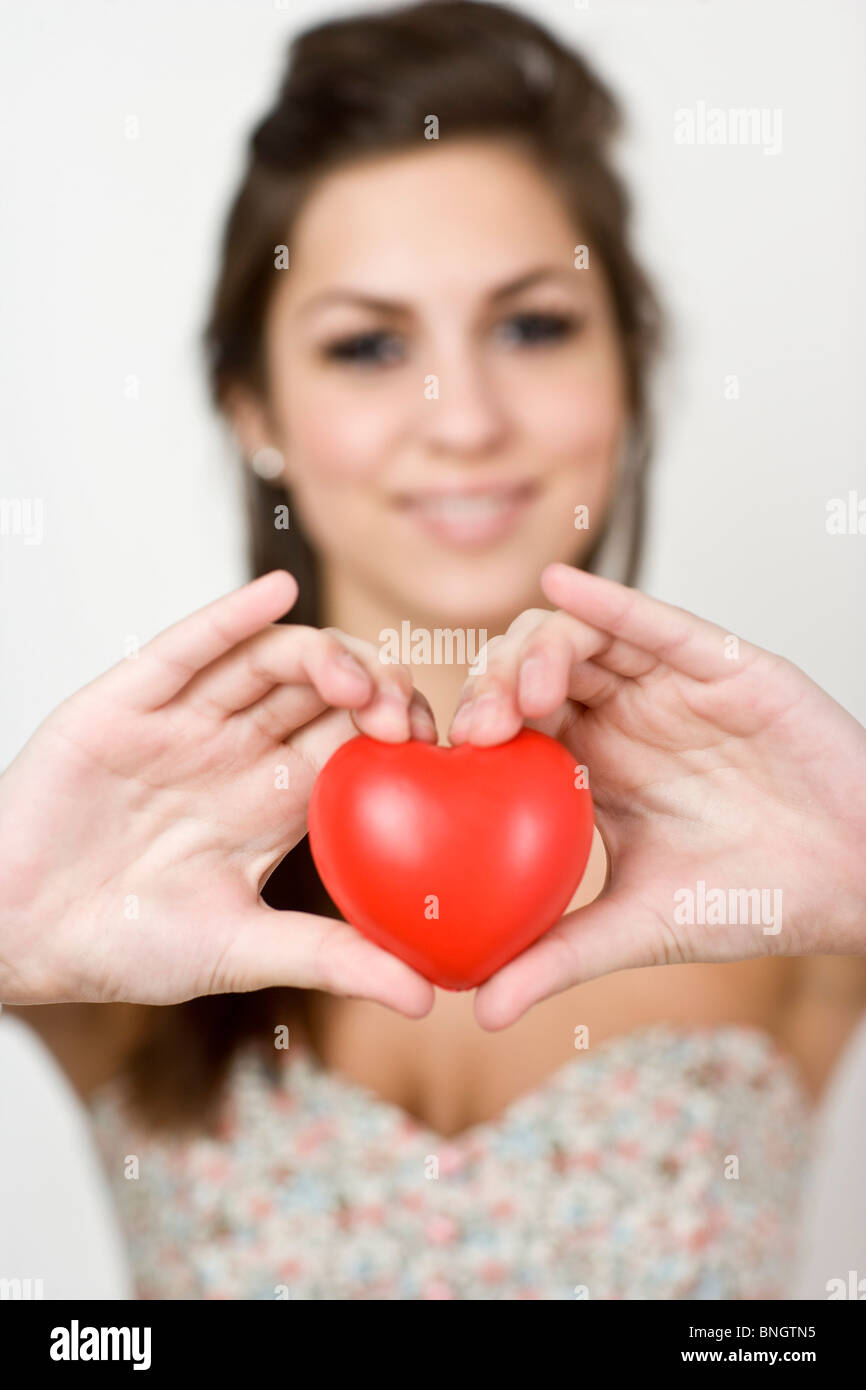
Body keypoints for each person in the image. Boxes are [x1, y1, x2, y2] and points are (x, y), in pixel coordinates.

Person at [2, 0, 865, 1300]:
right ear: (256, 412)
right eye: (368, 344)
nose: (460, 416)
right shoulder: (131, 881)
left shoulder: (791, 863)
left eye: (532, 325)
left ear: (628, 372)